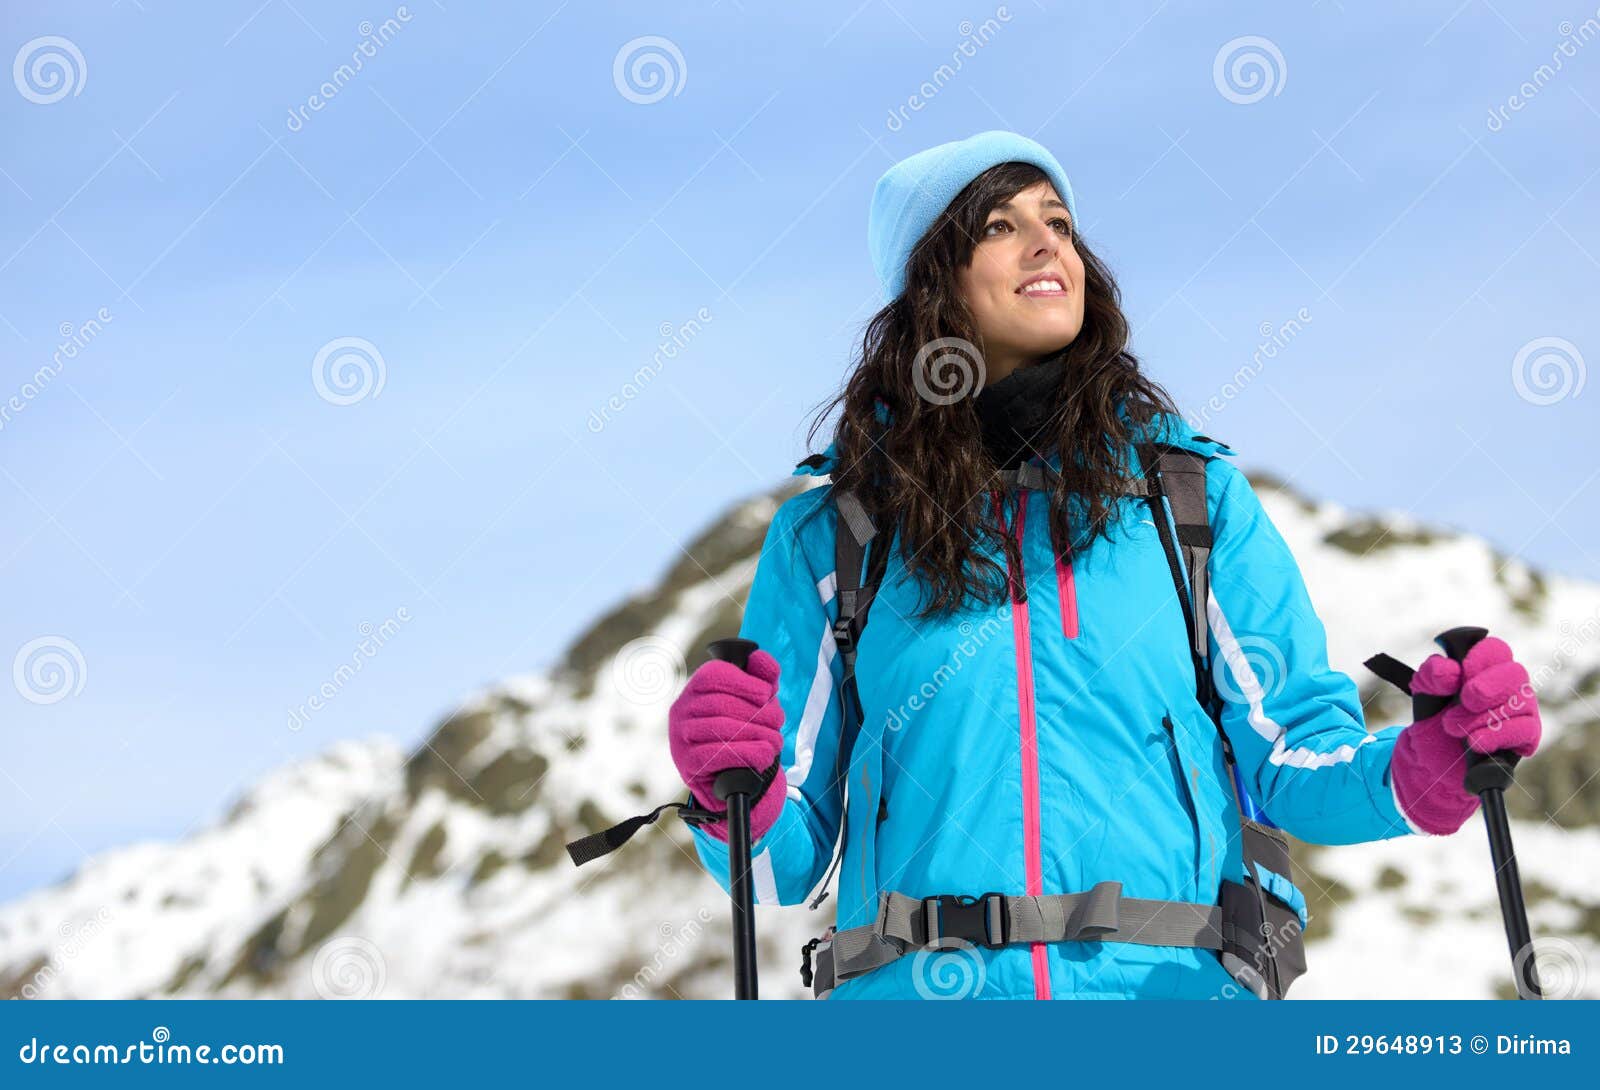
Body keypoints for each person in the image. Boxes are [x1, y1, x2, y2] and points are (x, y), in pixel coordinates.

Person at [666, 130, 1543, 999]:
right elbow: (783, 866)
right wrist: (727, 793)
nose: (1049, 242)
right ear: (932, 282)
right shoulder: (840, 534)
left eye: (1058, 219)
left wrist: (1422, 767)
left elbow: (1289, 763)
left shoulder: (1187, 503)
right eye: (1000, 225)